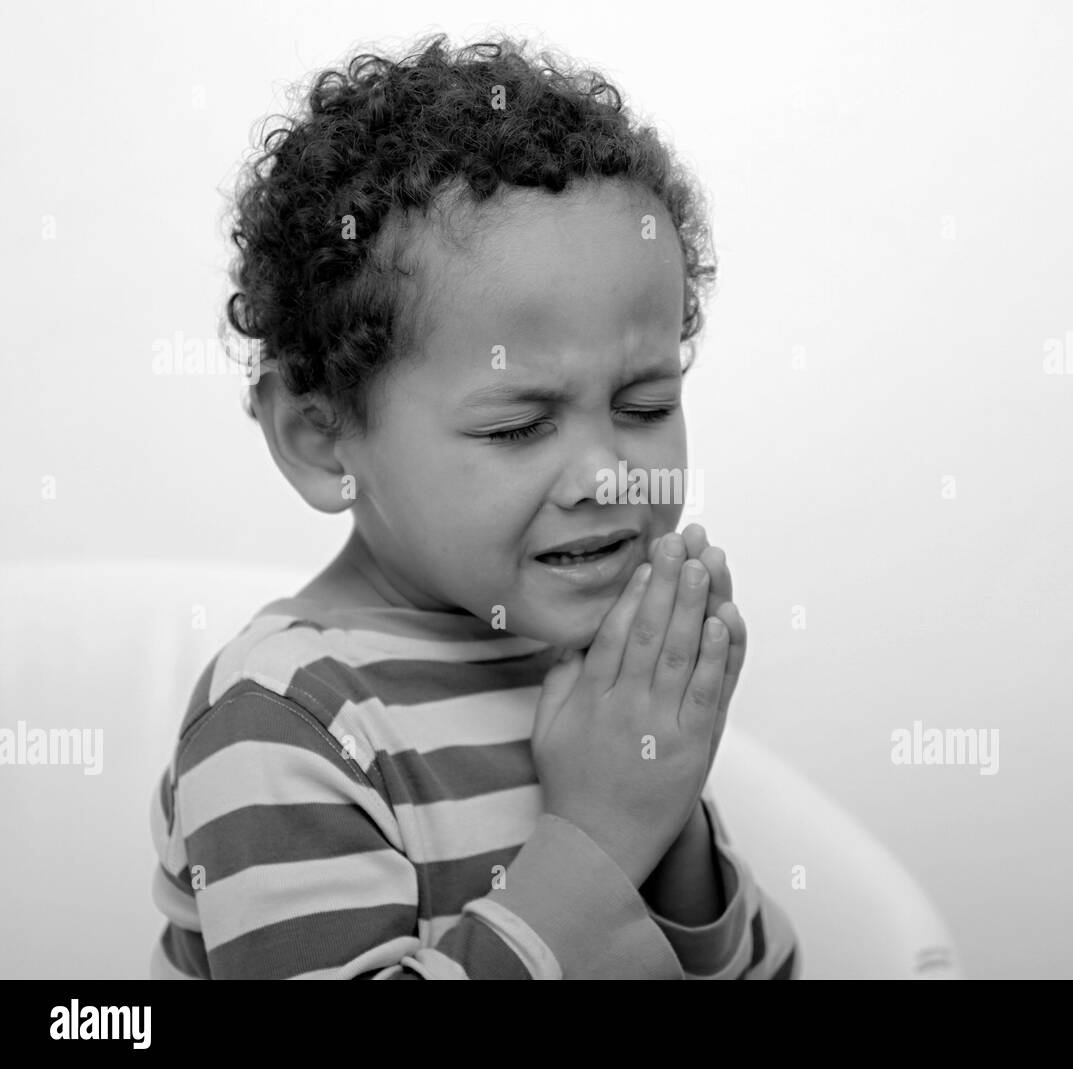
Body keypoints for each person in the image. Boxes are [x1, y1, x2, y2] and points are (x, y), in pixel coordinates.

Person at [148, 30, 800, 979]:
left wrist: (670, 816)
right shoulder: (285, 719)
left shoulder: (592, 666)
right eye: (517, 426)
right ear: (323, 437)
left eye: (645, 405)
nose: (609, 474)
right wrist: (602, 835)